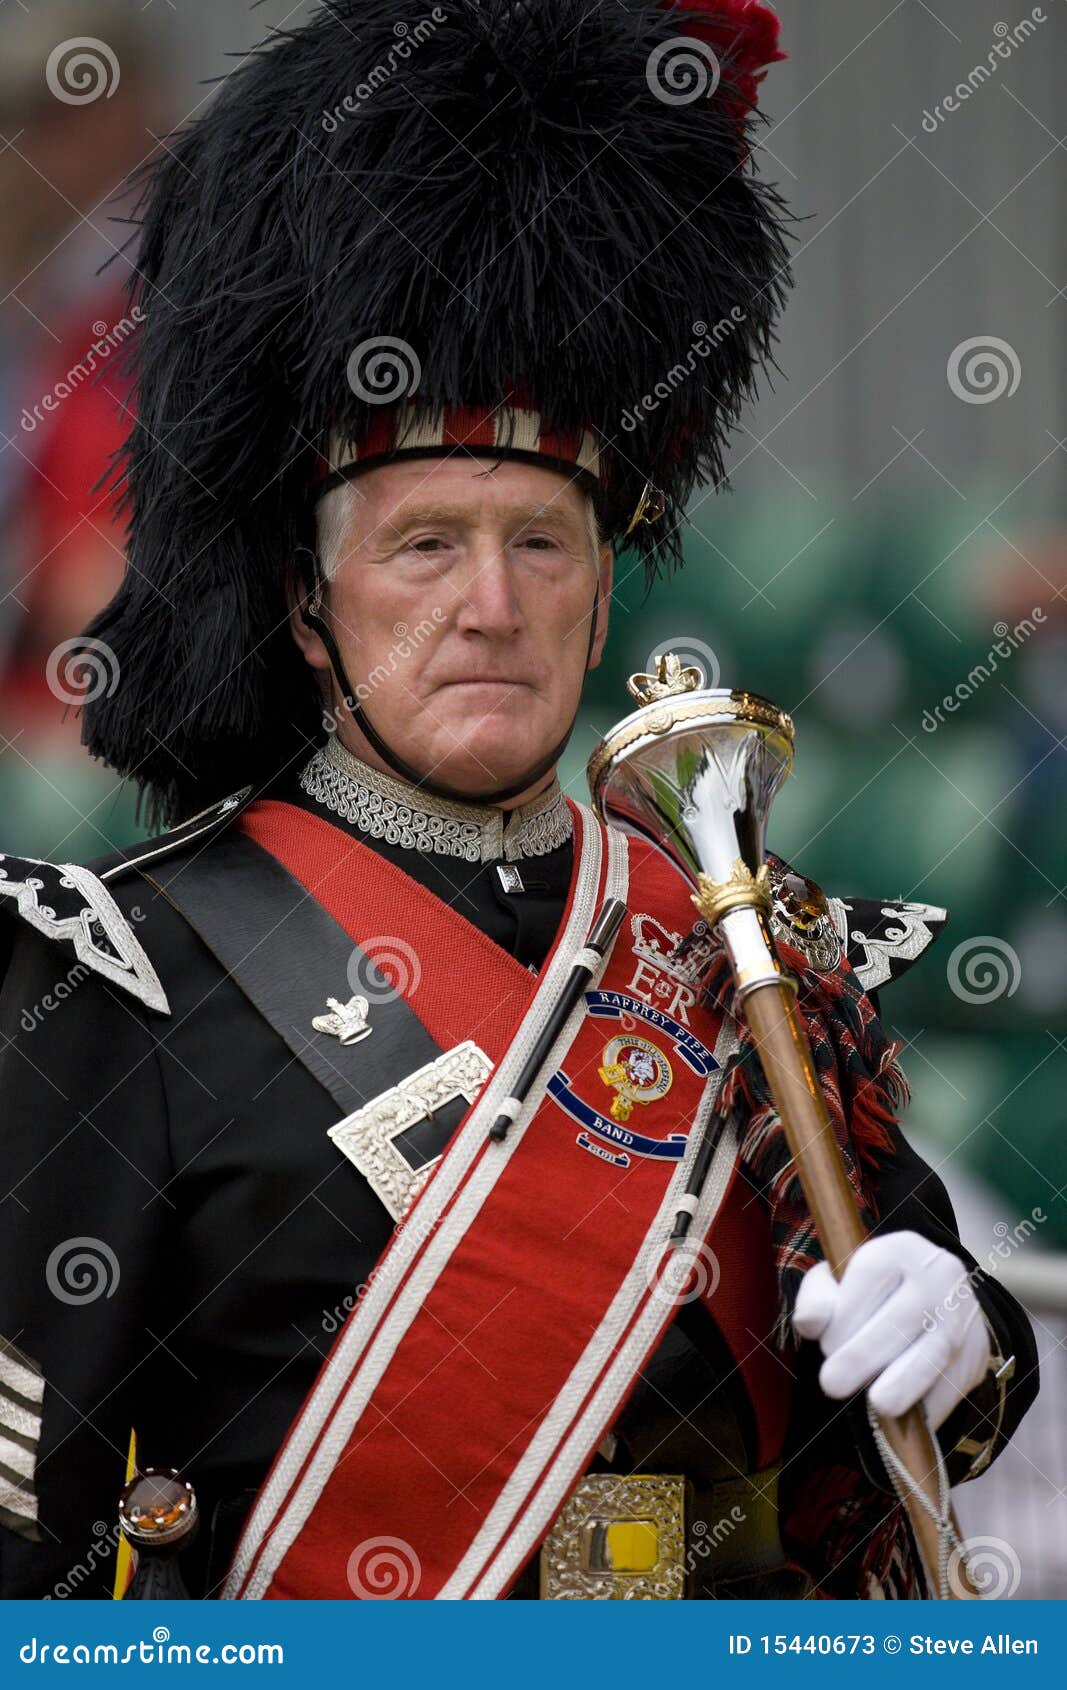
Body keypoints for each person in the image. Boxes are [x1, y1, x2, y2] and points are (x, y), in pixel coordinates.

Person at [0, 0, 1036, 1602]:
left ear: (604, 593)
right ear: (308, 602)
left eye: (541, 542)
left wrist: (965, 1321)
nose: (491, 604)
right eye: (425, 545)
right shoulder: (129, 975)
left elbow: (916, 1418)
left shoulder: (757, 947)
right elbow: (37, 1547)